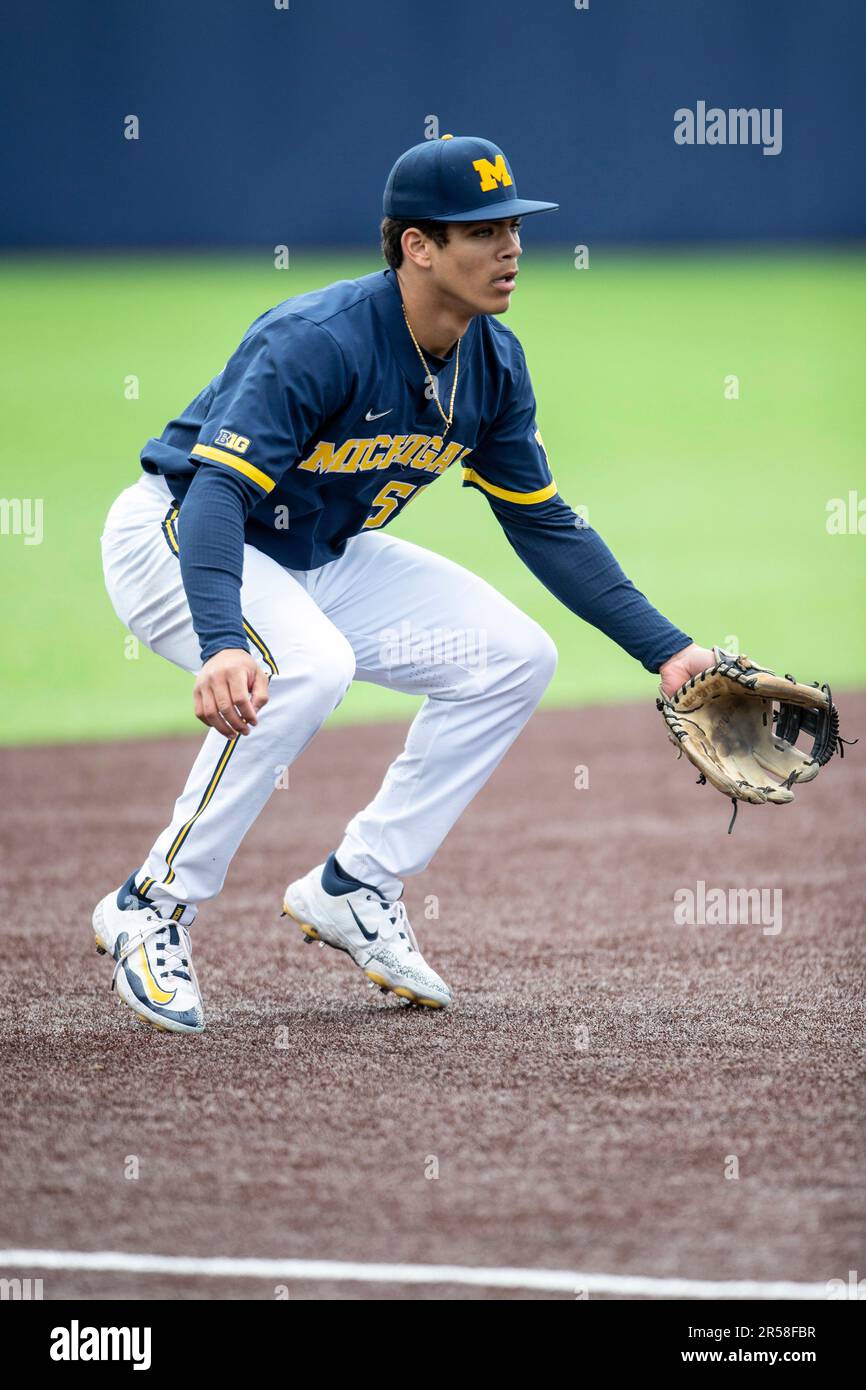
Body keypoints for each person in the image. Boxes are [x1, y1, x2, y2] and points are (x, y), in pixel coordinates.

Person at [95, 134, 713, 1033]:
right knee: (308, 666)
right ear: (416, 245)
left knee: (511, 658)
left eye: (513, 228)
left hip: (318, 554)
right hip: (179, 535)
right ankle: (150, 904)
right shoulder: (319, 340)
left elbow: (541, 519)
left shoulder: (492, 364)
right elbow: (218, 491)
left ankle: (357, 884)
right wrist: (225, 640)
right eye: (482, 232)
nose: (510, 250)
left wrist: (671, 651)